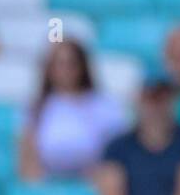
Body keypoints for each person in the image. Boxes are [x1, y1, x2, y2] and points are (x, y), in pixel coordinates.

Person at [97, 76, 180, 195]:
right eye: (150, 97)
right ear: (138, 100)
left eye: (162, 98)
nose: (156, 105)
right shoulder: (115, 146)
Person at [18, 40, 126, 181]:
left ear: (82, 66)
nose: (65, 70)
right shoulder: (37, 107)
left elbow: (117, 153)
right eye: (59, 64)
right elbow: (27, 158)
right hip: (47, 185)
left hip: (95, 184)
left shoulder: (104, 105)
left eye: (71, 63)